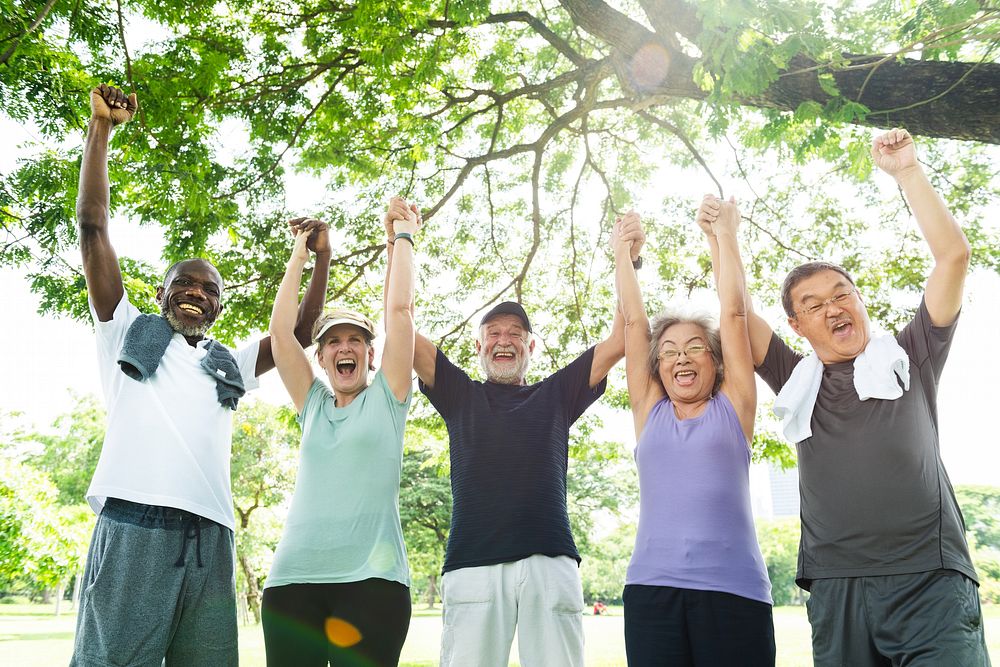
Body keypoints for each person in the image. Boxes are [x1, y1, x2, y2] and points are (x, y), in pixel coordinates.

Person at [71, 84, 330, 666]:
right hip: (135, 524)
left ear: (218, 306)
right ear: (160, 293)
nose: (195, 292)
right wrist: (101, 130)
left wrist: (321, 256)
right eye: (183, 284)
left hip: (210, 538)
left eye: (208, 289)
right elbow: (93, 228)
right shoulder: (124, 330)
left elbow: (301, 333)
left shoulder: (227, 363)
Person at [748, 129, 990, 665]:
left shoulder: (911, 355)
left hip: (930, 580)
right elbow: (737, 314)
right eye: (814, 304)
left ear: (859, 301)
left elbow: (952, 257)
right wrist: (724, 238)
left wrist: (907, 172)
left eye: (842, 294)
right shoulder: (794, 376)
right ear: (796, 323)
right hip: (838, 588)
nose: (834, 307)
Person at [391, 217, 644, 667]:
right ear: (479, 346)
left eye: (515, 334)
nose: (503, 340)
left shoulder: (556, 393)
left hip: (550, 560)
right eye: (494, 333)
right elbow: (400, 320)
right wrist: (400, 241)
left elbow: (625, 334)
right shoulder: (460, 394)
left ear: (531, 347)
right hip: (473, 562)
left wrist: (628, 258)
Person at [259, 197, 419, 666]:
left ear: (371, 355)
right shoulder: (312, 405)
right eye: (332, 342)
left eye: (355, 341)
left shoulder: (388, 398)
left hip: (373, 582)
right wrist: (300, 252)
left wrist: (403, 238)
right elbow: (281, 332)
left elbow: (400, 314)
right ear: (323, 358)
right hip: (293, 582)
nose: (343, 348)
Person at [613, 203, 774, 666]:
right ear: (658, 367)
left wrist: (722, 237)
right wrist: (623, 253)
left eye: (694, 348)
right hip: (651, 591)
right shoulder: (649, 410)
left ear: (715, 362)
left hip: (734, 591)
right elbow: (632, 324)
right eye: (668, 352)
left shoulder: (734, 406)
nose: (681, 358)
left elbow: (735, 314)